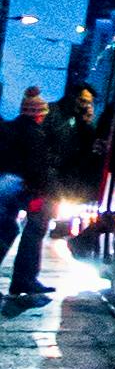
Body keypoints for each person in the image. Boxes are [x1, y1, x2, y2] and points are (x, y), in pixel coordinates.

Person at [0, 84, 51, 307]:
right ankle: (24, 280)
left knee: (7, 229)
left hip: (5, 182)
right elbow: (36, 167)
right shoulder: (34, 134)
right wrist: (41, 190)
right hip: (18, 186)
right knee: (31, 229)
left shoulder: (11, 128)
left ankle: (25, 281)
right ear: (38, 114)